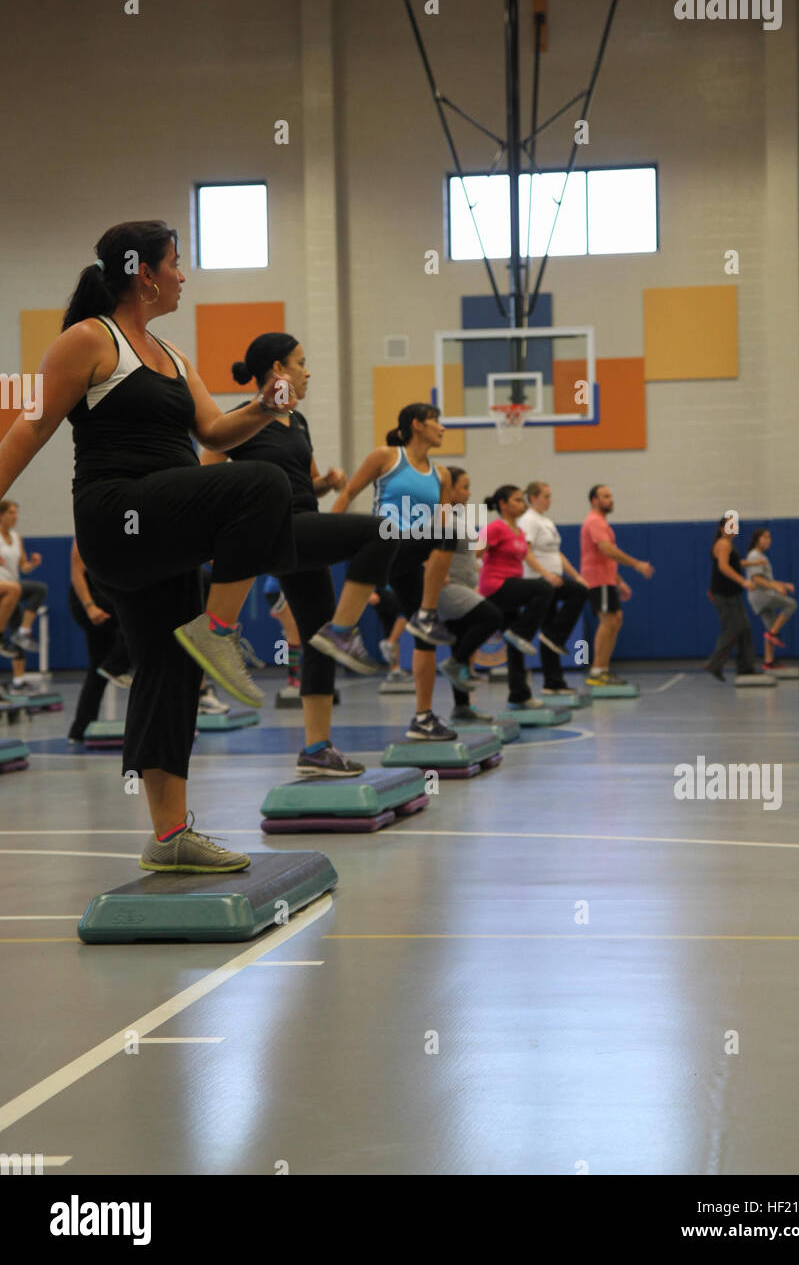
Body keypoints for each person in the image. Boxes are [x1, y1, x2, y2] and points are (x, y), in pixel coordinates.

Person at [0, 219, 358, 873]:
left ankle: (169, 839)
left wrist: (269, 403)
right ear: (144, 272)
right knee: (263, 484)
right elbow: (29, 431)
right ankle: (217, 629)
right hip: (117, 513)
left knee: (168, 672)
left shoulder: (171, 354)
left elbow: (218, 426)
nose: (184, 274)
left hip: (164, 531)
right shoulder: (88, 340)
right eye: (177, 262)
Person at [202, 331, 397, 776]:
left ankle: (316, 749)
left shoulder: (299, 421)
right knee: (382, 530)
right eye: (300, 362)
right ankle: (344, 631)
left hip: (304, 531)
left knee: (316, 642)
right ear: (277, 370)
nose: (307, 372)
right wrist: (218, 543)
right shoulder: (237, 420)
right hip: (275, 532)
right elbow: (205, 482)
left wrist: (327, 483)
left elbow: (306, 484)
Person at [331, 402, 458, 741]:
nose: (442, 428)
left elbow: (442, 523)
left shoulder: (441, 474)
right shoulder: (386, 457)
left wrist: (438, 567)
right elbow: (348, 493)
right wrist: (329, 539)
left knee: (425, 638)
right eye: (436, 421)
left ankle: (423, 718)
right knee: (449, 535)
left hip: (411, 557)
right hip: (382, 545)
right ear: (417, 425)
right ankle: (425, 615)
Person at [478, 485, 555, 710]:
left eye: (523, 501)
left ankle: (518, 695)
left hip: (510, 588)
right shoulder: (495, 528)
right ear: (503, 505)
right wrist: (473, 582)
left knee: (514, 646)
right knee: (544, 589)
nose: (522, 504)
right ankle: (521, 633)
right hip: (497, 587)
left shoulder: (519, 531)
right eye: (517, 500)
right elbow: (474, 553)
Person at [436, 467, 502, 723]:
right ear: (448, 489)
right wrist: (434, 572)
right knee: (491, 617)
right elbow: (422, 548)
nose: (469, 492)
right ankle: (455, 662)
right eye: (464, 486)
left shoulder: (460, 516)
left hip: (464, 585)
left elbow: (469, 553)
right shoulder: (438, 515)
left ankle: (461, 707)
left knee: (460, 638)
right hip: (447, 588)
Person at [518, 480, 590, 694]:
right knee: (578, 593)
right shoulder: (529, 521)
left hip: (553, 579)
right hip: (539, 582)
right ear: (533, 498)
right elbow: (525, 551)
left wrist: (576, 575)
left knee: (548, 630)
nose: (549, 500)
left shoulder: (546, 521)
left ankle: (553, 682)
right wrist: (545, 574)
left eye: (550, 496)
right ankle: (555, 637)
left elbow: (556, 553)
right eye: (545, 496)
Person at [580, 484, 653, 688]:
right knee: (608, 620)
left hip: (607, 579)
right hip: (597, 580)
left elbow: (606, 557)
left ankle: (603, 669)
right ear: (594, 500)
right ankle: (597, 670)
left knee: (615, 619)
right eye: (605, 496)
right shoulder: (594, 521)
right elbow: (607, 550)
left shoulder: (602, 522)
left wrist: (620, 581)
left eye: (611, 496)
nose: (610, 499)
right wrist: (637, 564)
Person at [67, 538, 132, 742]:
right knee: (140, 620)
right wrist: (89, 606)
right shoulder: (84, 533)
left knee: (97, 668)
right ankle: (114, 666)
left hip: (107, 597)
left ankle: (79, 730)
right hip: (89, 600)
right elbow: (77, 573)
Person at [0, 499, 49, 690]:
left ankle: (18, 680)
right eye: (11, 513)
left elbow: (23, 567)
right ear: (1, 515)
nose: (15, 517)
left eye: (17, 513)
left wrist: (33, 564)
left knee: (38, 589)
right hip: (5, 587)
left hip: (11, 591)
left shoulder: (16, 537)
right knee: (16, 588)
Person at [705, 517, 762, 681]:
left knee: (744, 629)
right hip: (724, 595)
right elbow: (724, 567)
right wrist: (744, 581)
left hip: (731, 594)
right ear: (722, 529)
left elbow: (735, 563)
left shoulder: (727, 545)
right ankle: (714, 664)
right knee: (732, 630)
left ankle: (746, 668)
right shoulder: (723, 544)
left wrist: (754, 563)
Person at [741, 527, 798, 671]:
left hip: (758, 598)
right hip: (761, 595)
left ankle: (769, 662)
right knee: (791, 604)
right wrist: (777, 588)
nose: (768, 540)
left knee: (770, 626)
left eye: (770, 537)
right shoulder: (755, 556)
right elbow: (757, 579)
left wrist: (784, 584)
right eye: (765, 537)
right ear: (757, 539)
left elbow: (767, 579)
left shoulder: (761, 556)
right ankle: (774, 633)